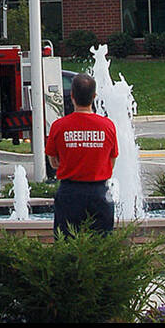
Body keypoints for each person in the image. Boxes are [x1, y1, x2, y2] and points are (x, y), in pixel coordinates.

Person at [45, 73, 118, 237]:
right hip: (99, 192)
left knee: (66, 240)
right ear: (94, 96)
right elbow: (111, 161)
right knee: (102, 242)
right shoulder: (107, 126)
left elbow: (53, 161)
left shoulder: (59, 126)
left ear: (72, 96)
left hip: (70, 191)